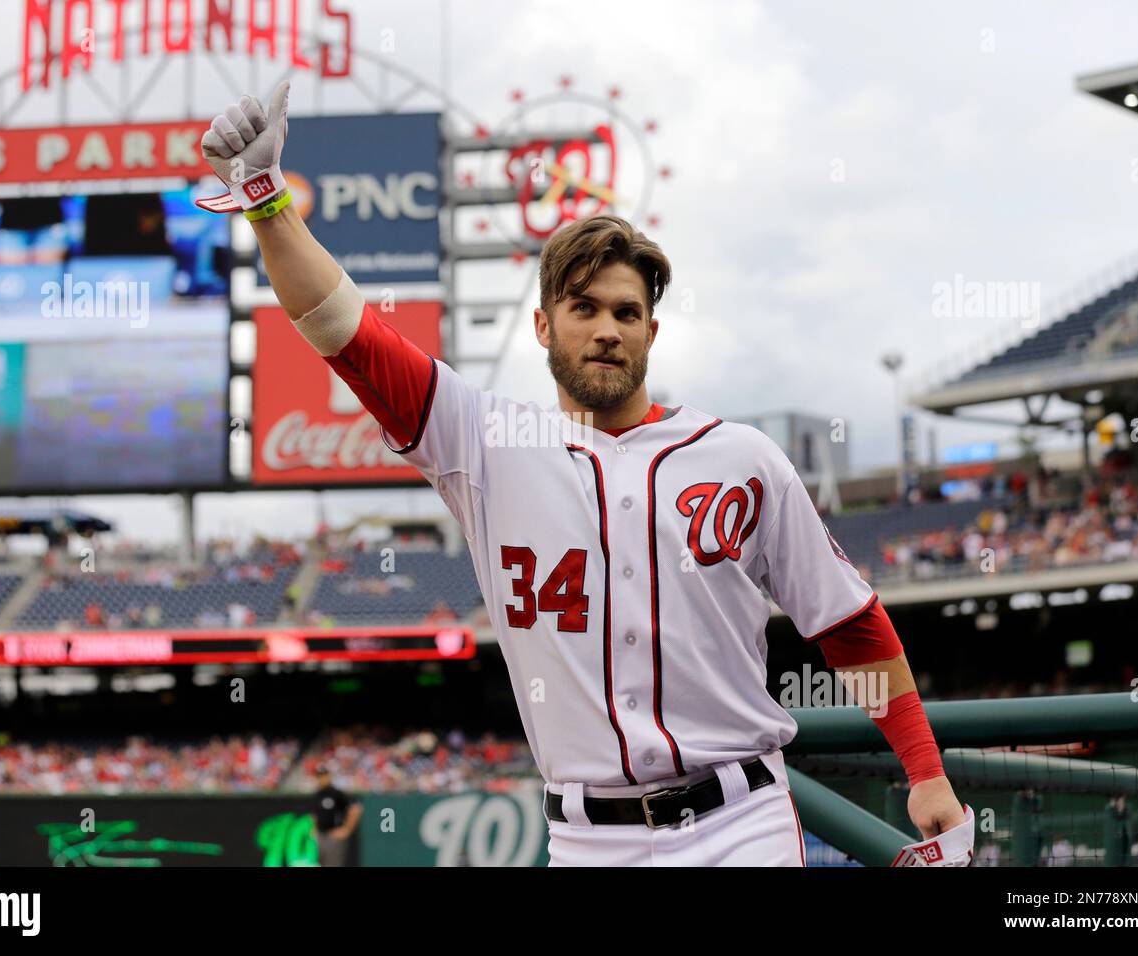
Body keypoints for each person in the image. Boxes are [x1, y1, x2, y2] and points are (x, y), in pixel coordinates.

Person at [199, 83, 968, 867]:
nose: (606, 330)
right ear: (543, 325)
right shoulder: (484, 441)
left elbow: (847, 624)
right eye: (583, 307)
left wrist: (925, 769)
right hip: (587, 837)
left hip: (742, 822)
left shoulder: (742, 459)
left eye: (626, 313)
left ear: (651, 331)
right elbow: (346, 330)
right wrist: (267, 203)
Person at [311, 766, 362, 867]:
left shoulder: (336, 793)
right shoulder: (318, 794)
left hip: (333, 835)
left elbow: (356, 809)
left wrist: (346, 829)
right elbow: (315, 814)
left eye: (324, 776)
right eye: (319, 776)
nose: (322, 779)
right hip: (321, 836)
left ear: (329, 776)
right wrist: (314, 830)